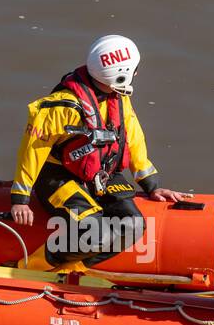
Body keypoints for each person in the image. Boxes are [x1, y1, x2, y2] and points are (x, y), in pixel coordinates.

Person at [10, 34, 185, 271]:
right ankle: (31, 268)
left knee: (134, 225)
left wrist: (151, 185)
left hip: (101, 171)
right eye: (134, 70)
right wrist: (20, 199)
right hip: (58, 175)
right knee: (98, 232)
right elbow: (33, 149)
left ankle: (75, 265)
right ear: (120, 74)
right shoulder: (62, 106)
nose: (137, 74)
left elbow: (133, 138)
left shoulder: (118, 98)